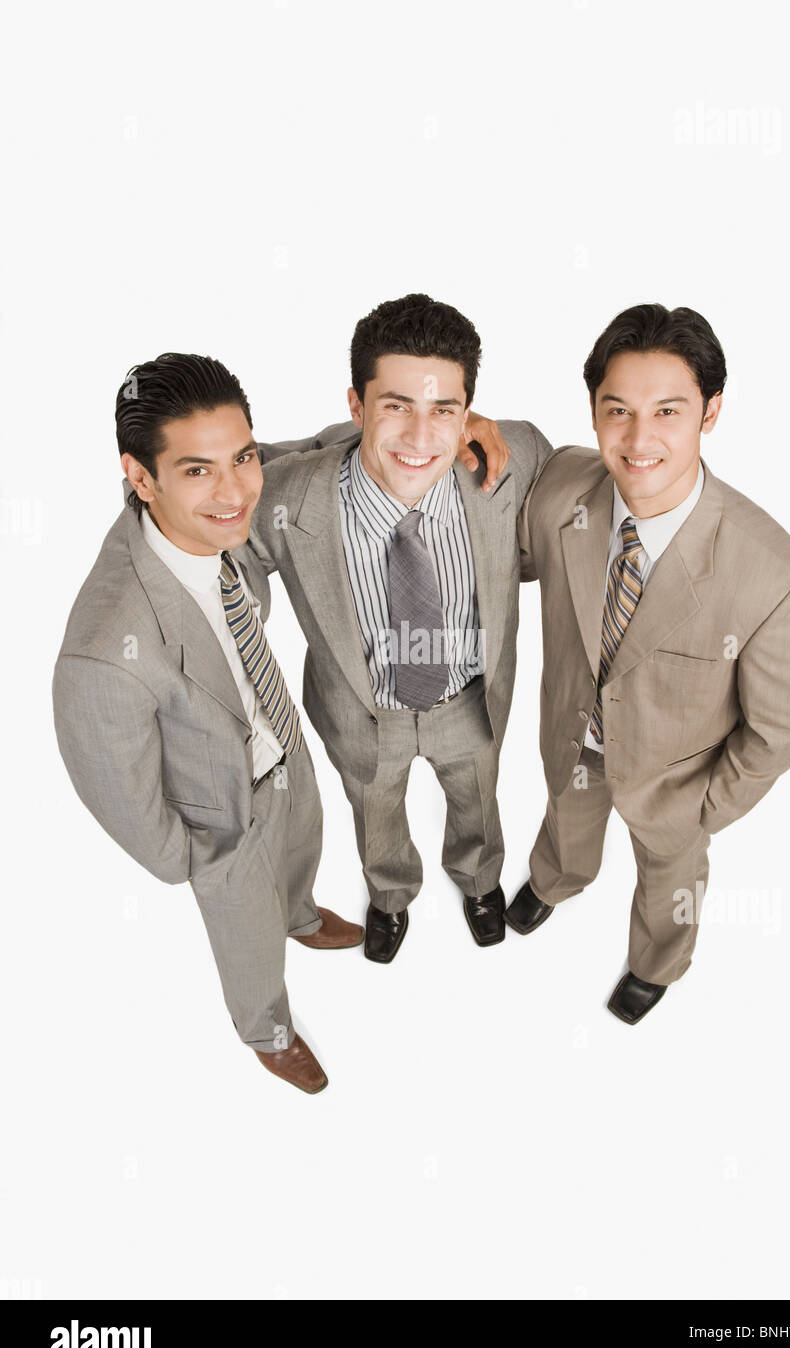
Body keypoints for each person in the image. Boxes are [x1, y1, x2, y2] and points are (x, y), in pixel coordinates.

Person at [52, 353, 365, 1092]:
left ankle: (298, 910)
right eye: (197, 471)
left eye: (242, 457)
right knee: (248, 938)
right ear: (141, 477)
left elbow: (299, 453)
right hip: (223, 818)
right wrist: (205, 857)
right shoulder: (106, 652)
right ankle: (267, 1030)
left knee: (303, 844)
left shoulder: (221, 507)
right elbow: (130, 812)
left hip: (276, 738)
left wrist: (396, 430)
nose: (235, 493)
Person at [506, 304, 790, 1023]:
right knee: (566, 819)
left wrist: (702, 810)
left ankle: (656, 963)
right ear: (590, 411)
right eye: (616, 410)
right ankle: (555, 881)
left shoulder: (771, 575)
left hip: (677, 784)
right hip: (573, 742)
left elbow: (782, 730)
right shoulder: (560, 489)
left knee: (667, 881)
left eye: (667, 412)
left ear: (709, 412)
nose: (638, 439)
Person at [250, 293, 551, 962]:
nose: (420, 438)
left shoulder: (515, 460)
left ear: (469, 412)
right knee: (376, 815)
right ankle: (389, 898)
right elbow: (202, 501)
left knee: (478, 803)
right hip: (362, 714)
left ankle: (478, 883)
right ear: (355, 407)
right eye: (395, 406)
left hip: (469, 704)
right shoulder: (285, 496)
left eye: (443, 409)